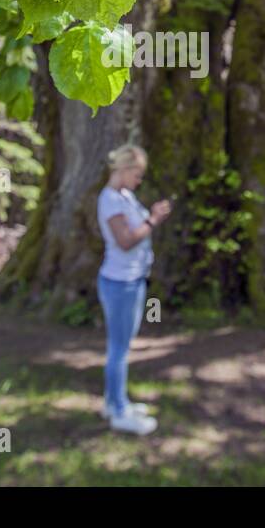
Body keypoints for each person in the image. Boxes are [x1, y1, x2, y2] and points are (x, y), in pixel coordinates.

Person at [96, 144, 172, 435]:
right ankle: (118, 411)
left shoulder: (125, 196)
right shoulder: (110, 200)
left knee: (122, 346)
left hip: (132, 279)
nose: (139, 180)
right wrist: (153, 220)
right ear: (124, 169)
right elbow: (125, 240)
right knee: (119, 349)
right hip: (120, 283)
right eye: (137, 174)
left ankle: (114, 400)